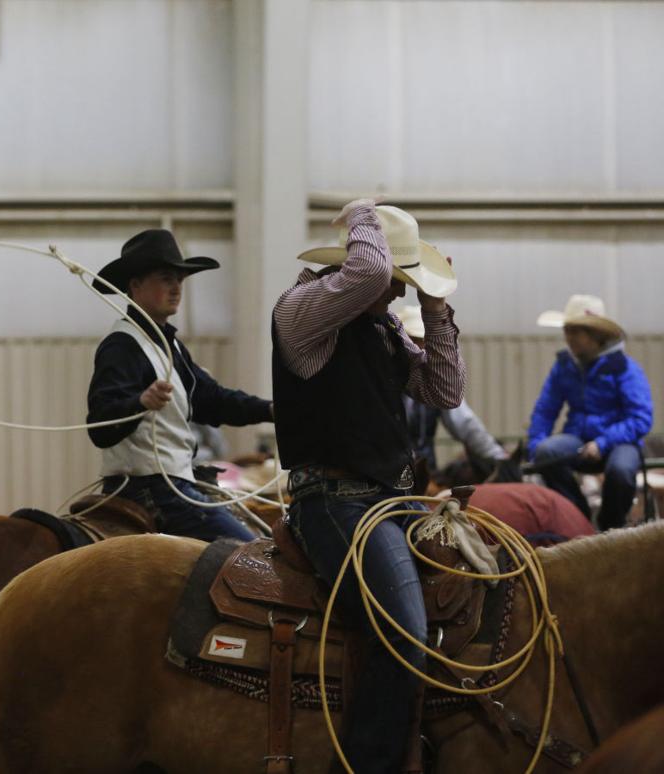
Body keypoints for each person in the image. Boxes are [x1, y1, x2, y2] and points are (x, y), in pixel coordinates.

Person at [273, 201, 465, 773]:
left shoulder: (378, 327)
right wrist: (363, 217)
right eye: (401, 281)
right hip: (335, 500)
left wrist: (438, 306)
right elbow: (373, 276)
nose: (398, 294)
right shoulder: (300, 310)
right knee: (404, 630)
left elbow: (445, 389)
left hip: (385, 501)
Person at [86, 229, 274, 542]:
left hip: (171, 484)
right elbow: (101, 425)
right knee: (252, 553)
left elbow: (211, 398)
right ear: (135, 286)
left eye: (179, 280)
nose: (176, 289)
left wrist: (268, 409)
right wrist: (140, 403)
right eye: (165, 278)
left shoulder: (168, 346)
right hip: (151, 489)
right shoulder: (122, 346)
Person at [527, 294, 653, 531]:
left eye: (576, 331)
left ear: (596, 335)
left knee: (621, 471)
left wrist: (603, 442)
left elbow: (640, 418)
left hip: (619, 442)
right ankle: (579, 516)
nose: (568, 337)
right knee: (546, 452)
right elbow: (546, 409)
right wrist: (535, 446)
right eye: (567, 330)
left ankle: (610, 525)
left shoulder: (625, 369)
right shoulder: (564, 366)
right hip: (579, 439)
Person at [394, 305, 509, 474]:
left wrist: (498, 456)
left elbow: (465, 423)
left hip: (424, 473)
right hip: (389, 473)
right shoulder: (385, 376)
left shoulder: (434, 382)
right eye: (415, 339)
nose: (420, 346)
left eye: (424, 340)